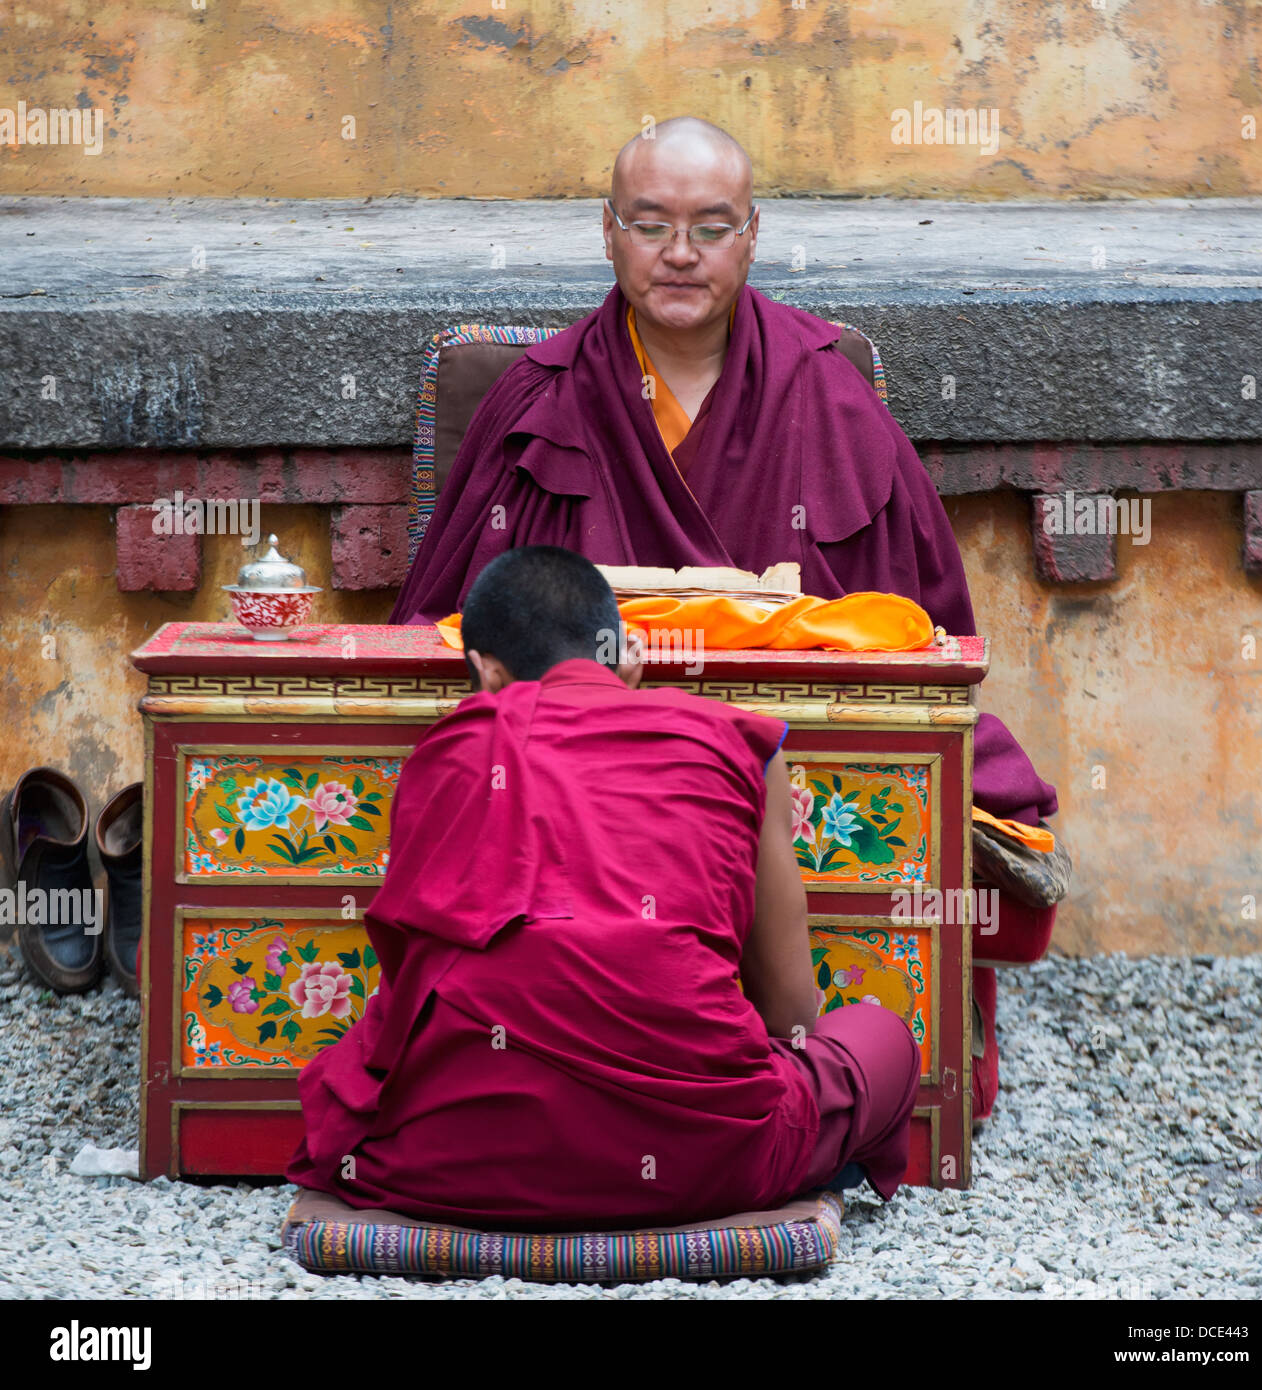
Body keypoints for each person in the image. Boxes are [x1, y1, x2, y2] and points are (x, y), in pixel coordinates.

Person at [390, 116, 1059, 1121]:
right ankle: (781, 1090)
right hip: (581, 786)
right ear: (607, 231)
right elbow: (447, 626)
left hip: (795, 777)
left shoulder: (828, 394)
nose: (680, 254)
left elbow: (925, 642)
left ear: (753, 234)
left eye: (711, 226)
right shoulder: (540, 399)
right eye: (651, 223)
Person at [288, 546, 921, 1228]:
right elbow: (790, 1017)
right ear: (623, 654)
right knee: (879, 1036)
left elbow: (410, 990)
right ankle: (791, 1175)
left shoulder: (449, 751)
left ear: (482, 671)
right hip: (707, 1159)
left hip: (450, 1163)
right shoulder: (728, 741)